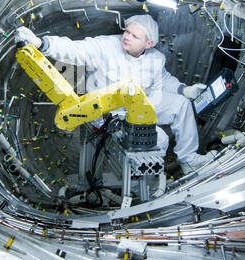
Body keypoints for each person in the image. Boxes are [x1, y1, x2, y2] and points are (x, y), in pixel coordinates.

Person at [16, 14, 213, 174]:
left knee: (181, 104)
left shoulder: (156, 58)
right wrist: (42, 43)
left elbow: (164, 79)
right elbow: (74, 50)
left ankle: (188, 160)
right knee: (158, 139)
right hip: (107, 111)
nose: (126, 37)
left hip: (137, 102)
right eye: (127, 31)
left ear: (149, 43)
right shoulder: (106, 46)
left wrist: (184, 90)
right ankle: (147, 184)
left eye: (135, 36)